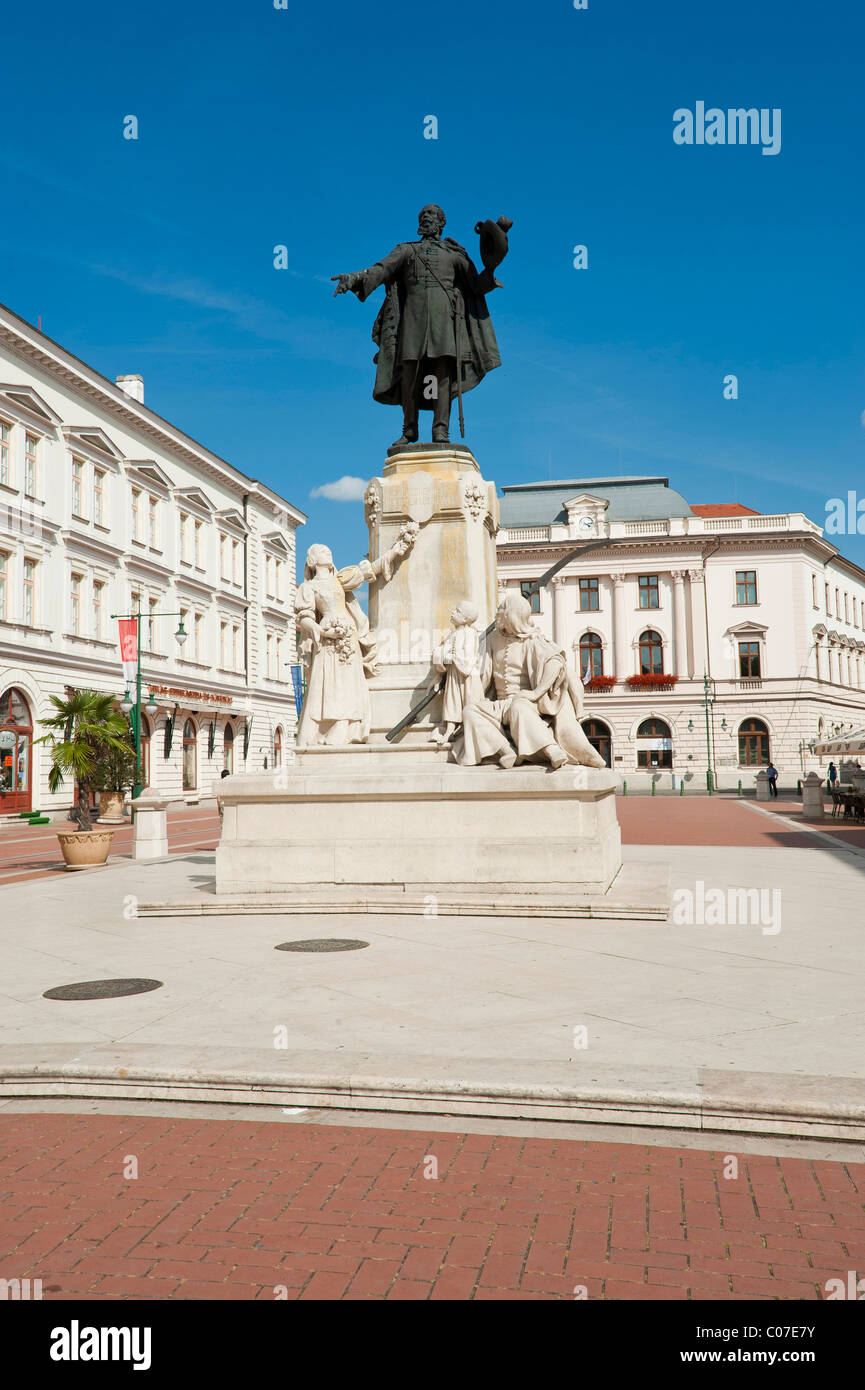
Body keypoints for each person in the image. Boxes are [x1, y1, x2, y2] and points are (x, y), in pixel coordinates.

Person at [332, 204, 504, 445]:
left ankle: (441, 430)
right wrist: (353, 278)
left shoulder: (454, 254)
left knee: (443, 377)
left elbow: (476, 285)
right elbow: (381, 269)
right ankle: (409, 430)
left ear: (441, 223)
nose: (426, 218)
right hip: (412, 322)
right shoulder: (406, 250)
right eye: (423, 215)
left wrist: (491, 265)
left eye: (431, 215)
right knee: (409, 377)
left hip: (444, 321)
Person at [453, 591, 605, 771]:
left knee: (519, 706)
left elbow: (555, 662)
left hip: (526, 702)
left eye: (501, 609)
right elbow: (482, 674)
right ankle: (505, 750)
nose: (497, 613)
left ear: (512, 615)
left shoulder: (532, 639)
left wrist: (536, 693)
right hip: (500, 704)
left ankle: (552, 750)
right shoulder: (493, 639)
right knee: (471, 710)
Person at [295, 527, 418, 746]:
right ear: (312, 561)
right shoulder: (308, 587)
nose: (327, 552)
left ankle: (345, 726)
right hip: (327, 636)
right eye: (322, 551)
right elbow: (304, 616)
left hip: (348, 636)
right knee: (326, 685)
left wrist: (393, 553)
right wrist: (319, 630)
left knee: (348, 683)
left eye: (328, 550)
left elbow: (368, 571)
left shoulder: (340, 579)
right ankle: (324, 728)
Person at [429, 600, 484, 746]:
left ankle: (472, 731)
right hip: (454, 675)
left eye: (457, 611)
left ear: (465, 619)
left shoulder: (470, 633)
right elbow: (440, 652)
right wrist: (439, 673)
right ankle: (449, 730)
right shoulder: (453, 634)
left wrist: (449, 656)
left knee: (470, 702)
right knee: (452, 701)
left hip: (468, 677)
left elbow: (468, 659)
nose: (453, 612)